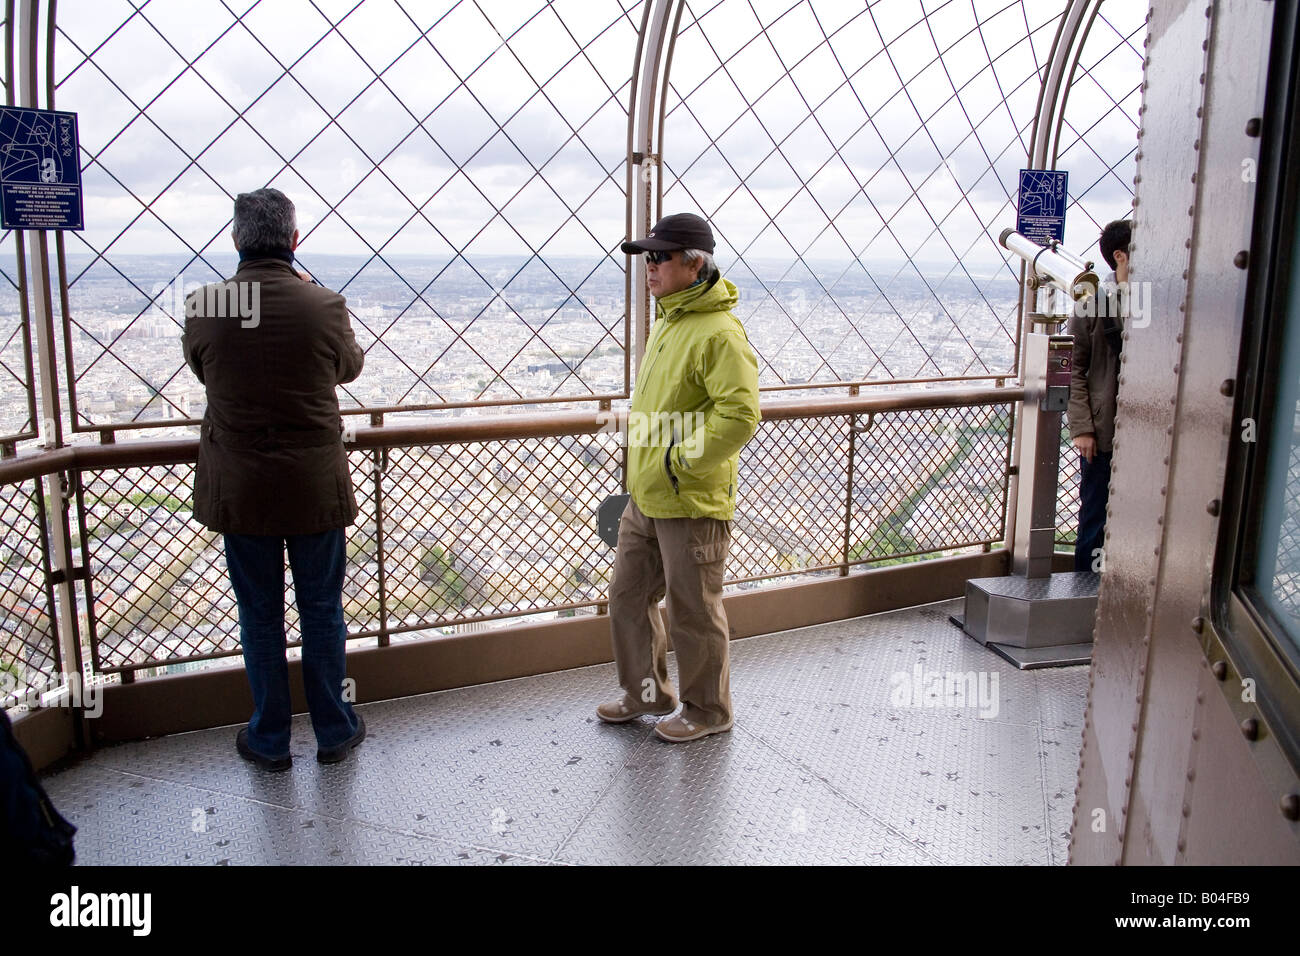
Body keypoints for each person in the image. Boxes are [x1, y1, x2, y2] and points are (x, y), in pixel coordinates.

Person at [182, 187, 366, 770]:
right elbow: (350, 368)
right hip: (312, 487)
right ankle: (334, 729)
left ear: (236, 240)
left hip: (242, 489)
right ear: (294, 239)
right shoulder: (324, 305)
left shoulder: (205, 305)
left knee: (258, 614)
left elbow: (202, 367)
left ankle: (268, 738)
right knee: (322, 609)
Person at [598, 213, 761, 742]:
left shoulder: (718, 332)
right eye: (646, 257)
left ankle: (708, 711)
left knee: (693, 610)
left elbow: (739, 416)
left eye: (659, 257)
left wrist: (678, 462)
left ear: (694, 263)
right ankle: (648, 694)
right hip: (647, 495)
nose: (649, 267)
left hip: (689, 498)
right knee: (628, 596)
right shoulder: (670, 320)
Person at [1067, 218, 1130, 574]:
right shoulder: (1094, 303)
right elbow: (1073, 366)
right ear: (1120, 256)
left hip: (1117, 427)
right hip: (1103, 431)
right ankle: (1086, 591)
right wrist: (1082, 428)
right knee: (1095, 516)